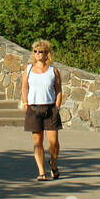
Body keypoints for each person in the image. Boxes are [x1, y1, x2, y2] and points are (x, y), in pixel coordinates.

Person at [20, 39, 63, 181]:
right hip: (33, 108)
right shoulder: (29, 69)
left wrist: (56, 106)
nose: (38, 54)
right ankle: (41, 172)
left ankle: (54, 164)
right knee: (37, 142)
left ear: (47, 54)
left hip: (50, 108)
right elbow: (24, 87)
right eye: (35, 51)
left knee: (53, 142)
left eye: (41, 52)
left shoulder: (53, 71)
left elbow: (58, 90)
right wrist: (26, 104)